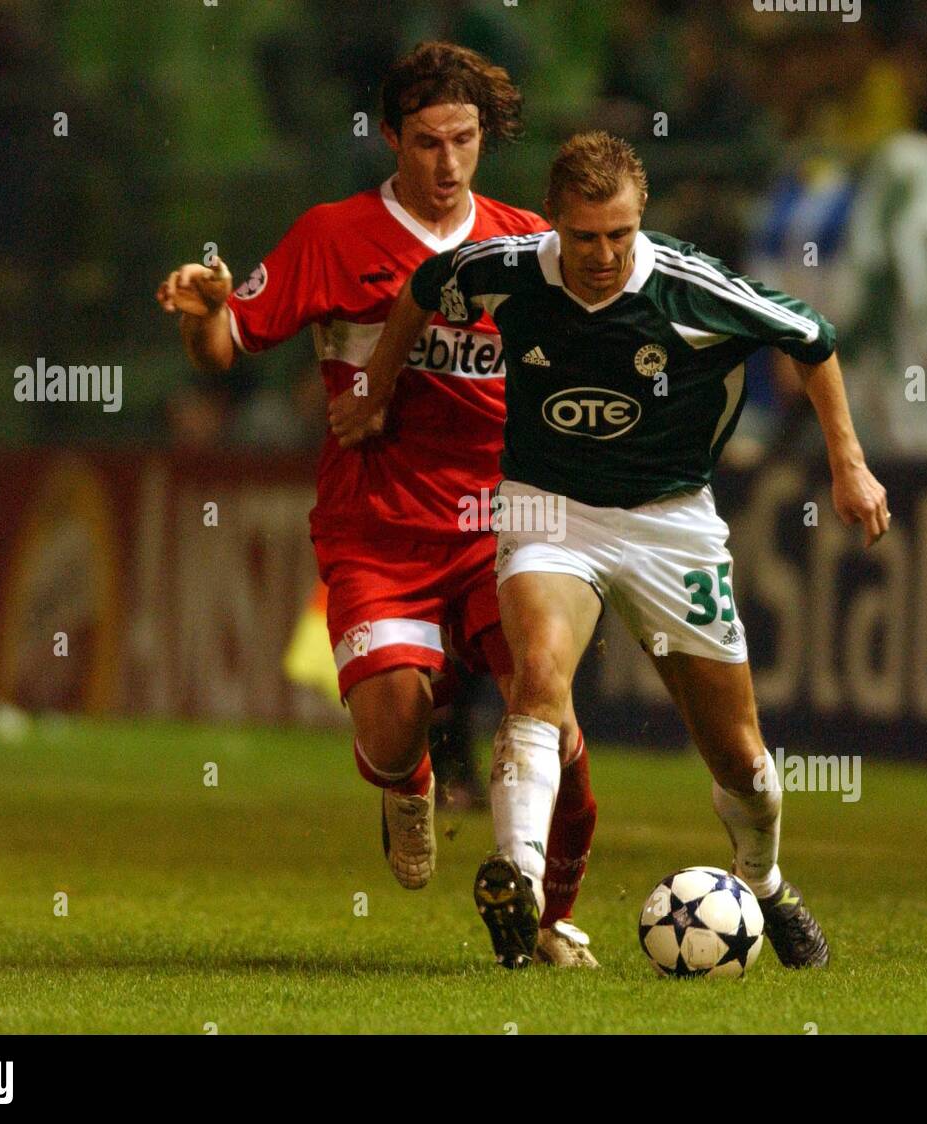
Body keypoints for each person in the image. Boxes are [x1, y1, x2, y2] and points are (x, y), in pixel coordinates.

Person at [332, 131, 891, 970]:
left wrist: (849, 464)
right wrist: (375, 386)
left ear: (642, 222)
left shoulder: (689, 287)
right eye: (585, 236)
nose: (602, 255)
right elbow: (420, 289)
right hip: (550, 507)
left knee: (741, 758)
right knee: (541, 678)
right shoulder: (510, 269)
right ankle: (516, 877)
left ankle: (766, 883)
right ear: (553, 221)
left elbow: (811, 337)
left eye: (620, 235)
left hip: (671, 523)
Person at [156, 43, 598, 968]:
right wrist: (205, 312)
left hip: (503, 531)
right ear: (391, 138)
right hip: (380, 529)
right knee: (395, 725)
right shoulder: (333, 235)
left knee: (546, 712)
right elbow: (229, 346)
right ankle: (410, 783)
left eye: (466, 141)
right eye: (429, 142)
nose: (448, 164)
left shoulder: (525, 244)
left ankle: (545, 917)